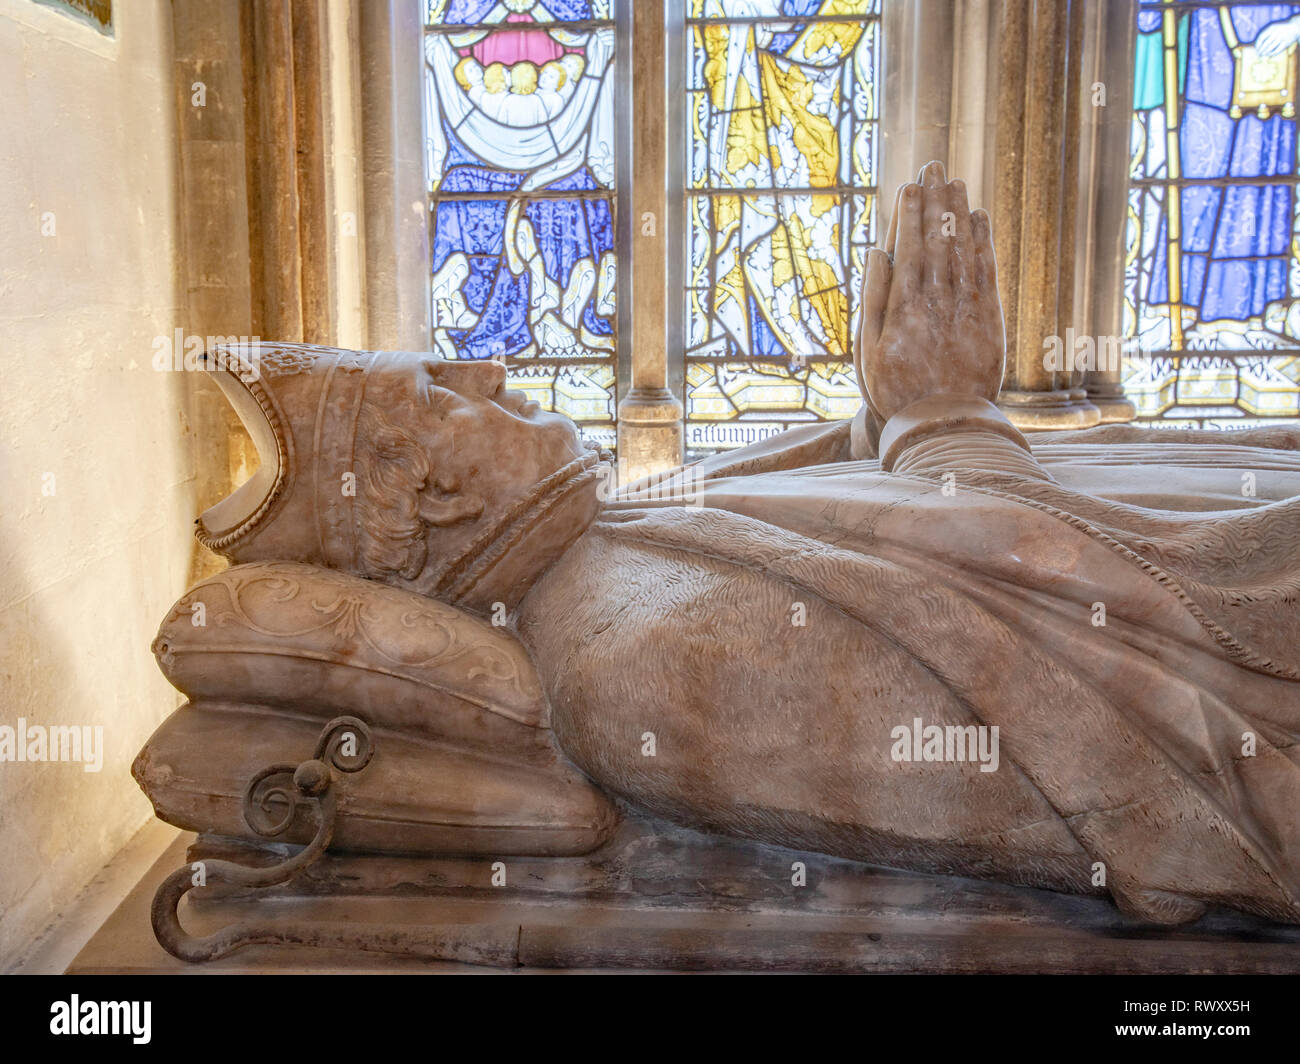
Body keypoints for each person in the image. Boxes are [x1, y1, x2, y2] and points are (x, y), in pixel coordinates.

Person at [191, 163, 1300, 926]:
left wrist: (891, 408)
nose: (483, 370)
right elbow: (1121, 715)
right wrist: (945, 416)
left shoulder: (607, 531)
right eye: (435, 393)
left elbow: (843, 489)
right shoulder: (635, 667)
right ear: (422, 496)